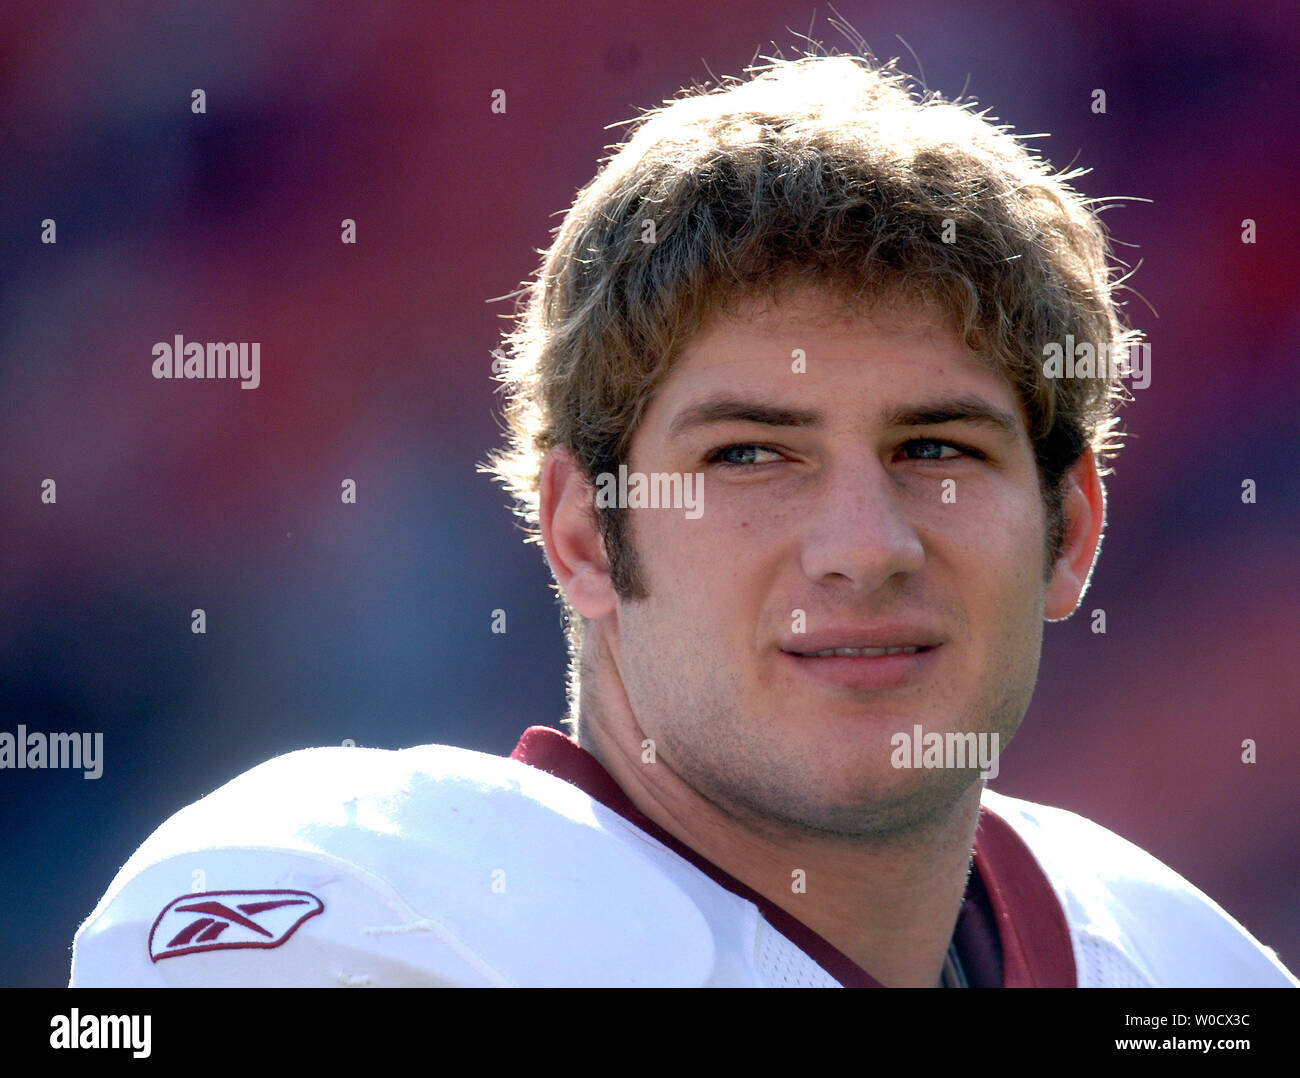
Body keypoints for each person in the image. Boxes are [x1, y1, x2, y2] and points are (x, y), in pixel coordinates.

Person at [71, 52, 1295, 988]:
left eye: (937, 449)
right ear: (584, 534)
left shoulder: (1187, 971)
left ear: (1069, 531)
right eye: (752, 454)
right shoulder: (358, 899)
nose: (865, 545)